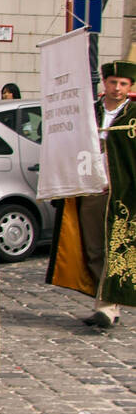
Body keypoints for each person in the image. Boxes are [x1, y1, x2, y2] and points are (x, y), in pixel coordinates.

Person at [46, 60, 136, 328]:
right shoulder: (88, 113)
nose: (117, 88)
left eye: (123, 84)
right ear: (104, 84)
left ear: (130, 86)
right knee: (94, 248)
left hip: (124, 193)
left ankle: (107, 307)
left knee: (118, 248)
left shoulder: (133, 115)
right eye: (112, 83)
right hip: (91, 189)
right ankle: (106, 301)